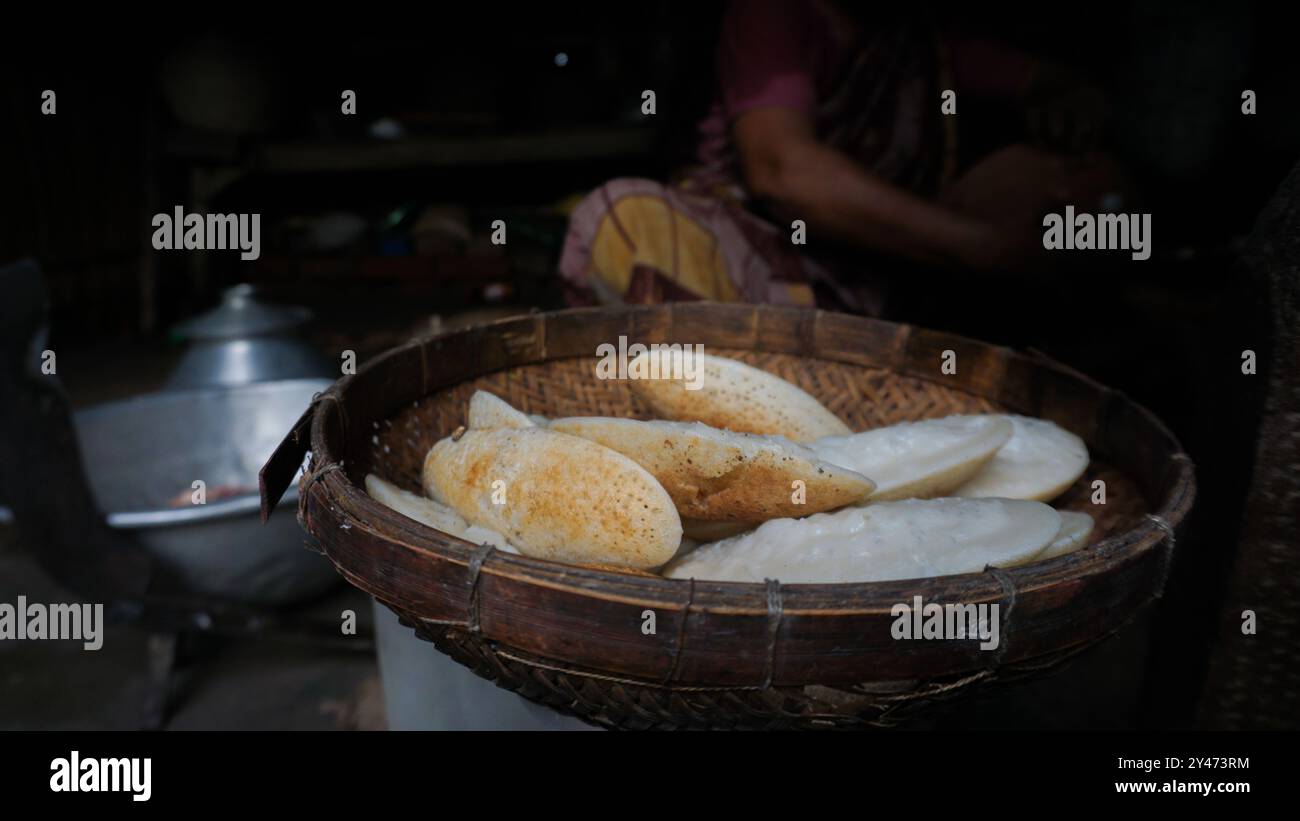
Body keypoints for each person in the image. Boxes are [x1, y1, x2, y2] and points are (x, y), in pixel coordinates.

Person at [559, 0, 1115, 317]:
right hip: (753, 264)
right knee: (620, 217)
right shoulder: (771, 14)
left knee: (1082, 188)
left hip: (878, 274)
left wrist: (1068, 95)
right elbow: (782, 170)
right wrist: (980, 248)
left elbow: (1047, 82)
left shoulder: (919, 41)